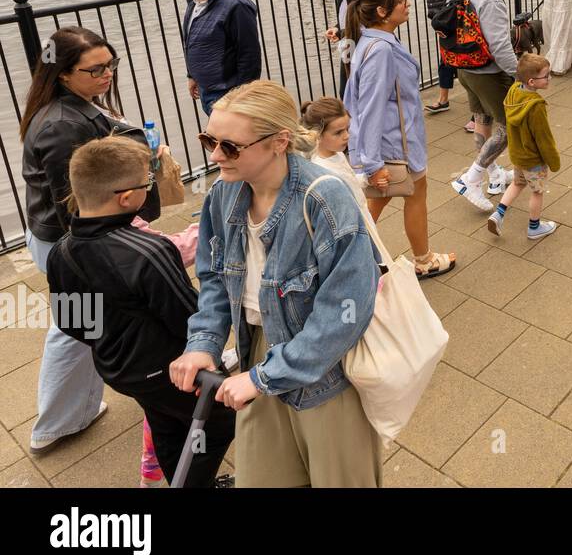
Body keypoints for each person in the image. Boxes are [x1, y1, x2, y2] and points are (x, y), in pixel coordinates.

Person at [170, 80, 383, 488]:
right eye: (208, 140)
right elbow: (214, 277)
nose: (215, 155)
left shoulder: (324, 198)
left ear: (279, 141)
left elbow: (344, 311)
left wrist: (261, 378)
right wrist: (203, 344)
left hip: (326, 369)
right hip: (257, 352)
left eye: (230, 147)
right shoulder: (222, 195)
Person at [46, 136, 236, 487]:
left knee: (165, 424)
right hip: (170, 370)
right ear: (127, 197)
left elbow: (73, 323)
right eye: (147, 183)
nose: (150, 189)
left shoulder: (61, 251)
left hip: (118, 370)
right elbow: (188, 319)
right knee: (218, 424)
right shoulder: (148, 250)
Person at [19, 27, 165, 452]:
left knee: (79, 326)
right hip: (68, 243)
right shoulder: (62, 126)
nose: (107, 75)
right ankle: (53, 424)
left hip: (60, 240)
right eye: (95, 69)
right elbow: (74, 203)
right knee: (73, 329)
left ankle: (68, 414)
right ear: (63, 74)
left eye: (110, 65)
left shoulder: (67, 109)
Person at [341, 0, 447, 277]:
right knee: (412, 194)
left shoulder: (370, 41)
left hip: (390, 141)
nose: (407, 2)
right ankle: (423, 261)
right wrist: (372, 163)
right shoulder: (381, 50)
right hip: (396, 143)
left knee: (374, 203)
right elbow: (372, 106)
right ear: (383, 11)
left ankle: (350, 263)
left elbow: (354, 98)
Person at [303, 95, 454, 275]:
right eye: (338, 132)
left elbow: (349, 181)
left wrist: (367, 180)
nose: (347, 136)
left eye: (348, 129)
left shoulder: (334, 155)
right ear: (317, 134)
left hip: (360, 220)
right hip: (352, 227)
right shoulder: (322, 170)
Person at [449, 0, 521, 211]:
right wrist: (519, 75)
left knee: (482, 120)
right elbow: (500, 45)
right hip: (488, 72)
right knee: (509, 127)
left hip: (465, 67)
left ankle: (494, 176)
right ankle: (471, 178)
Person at [169, 0, 261, 115]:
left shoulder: (237, 6)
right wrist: (192, 75)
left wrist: (242, 99)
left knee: (233, 139)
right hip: (207, 90)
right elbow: (191, 39)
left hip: (228, 95)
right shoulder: (194, 1)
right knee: (220, 138)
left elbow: (249, 56)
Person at [488, 54, 561, 241]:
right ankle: (535, 227)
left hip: (518, 154)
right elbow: (543, 138)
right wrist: (553, 161)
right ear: (532, 81)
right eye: (545, 76)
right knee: (537, 191)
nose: (549, 78)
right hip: (533, 159)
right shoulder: (536, 106)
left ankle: (498, 214)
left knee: (517, 183)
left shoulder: (514, 91)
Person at [426, 0, 470, 115]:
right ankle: (443, 100)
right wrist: (438, 18)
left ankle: (477, 107)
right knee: (445, 55)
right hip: (449, 13)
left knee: (469, 55)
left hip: (469, 12)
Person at [324, 0, 368, 96]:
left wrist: (343, 32)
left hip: (364, 46)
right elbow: (344, 17)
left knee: (361, 89)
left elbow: (368, 23)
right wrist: (337, 29)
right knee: (345, 92)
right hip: (348, 44)